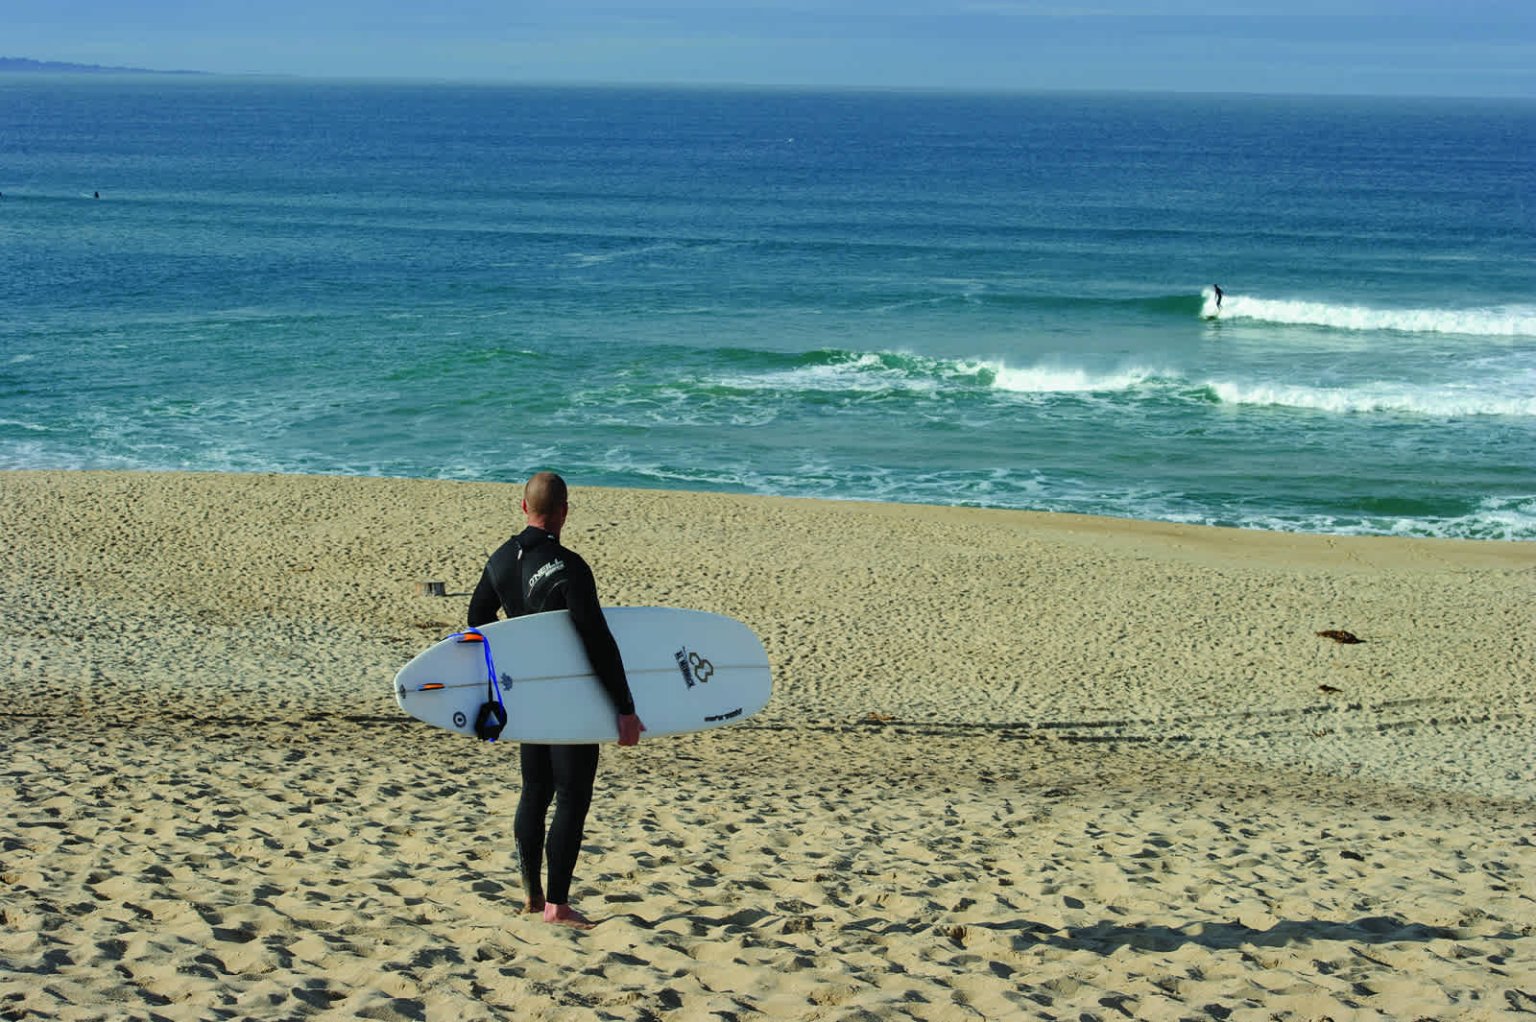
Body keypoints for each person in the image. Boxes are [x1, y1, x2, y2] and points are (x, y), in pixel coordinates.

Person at [468, 471, 644, 929]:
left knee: (534, 791)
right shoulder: (569, 566)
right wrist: (625, 708)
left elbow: (478, 618)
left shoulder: (501, 559)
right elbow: (596, 640)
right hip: (571, 700)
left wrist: (513, 665)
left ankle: (532, 896)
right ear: (564, 511)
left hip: (529, 696)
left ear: (524, 507)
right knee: (571, 797)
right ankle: (558, 906)